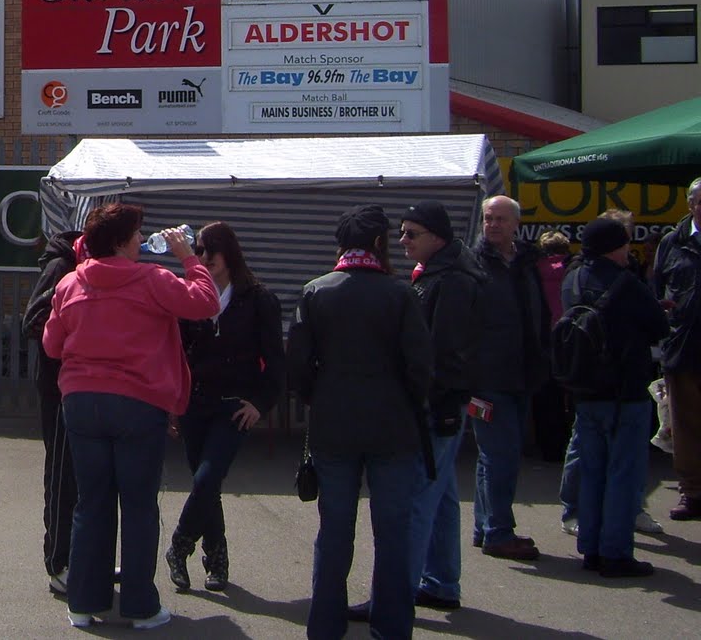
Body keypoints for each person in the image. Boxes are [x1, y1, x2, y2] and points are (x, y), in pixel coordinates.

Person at [41, 204, 218, 630]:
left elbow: (51, 345)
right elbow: (205, 302)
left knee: (92, 502)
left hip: (82, 402)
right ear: (121, 241)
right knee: (138, 505)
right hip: (138, 402)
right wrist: (188, 257)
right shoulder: (152, 279)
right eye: (137, 234)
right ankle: (140, 607)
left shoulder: (70, 282)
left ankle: (84, 603)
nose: (142, 240)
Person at [287, 204, 433, 640]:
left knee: (334, 531)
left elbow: (296, 366)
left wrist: (319, 395)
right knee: (393, 534)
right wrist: (409, 402)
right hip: (393, 426)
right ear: (377, 243)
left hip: (333, 425)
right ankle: (391, 628)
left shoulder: (316, 291)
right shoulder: (401, 293)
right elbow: (420, 365)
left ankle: (325, 627)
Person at [165, 222, 283, 594]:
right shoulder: (191, 294)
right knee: (207, 485)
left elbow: (276, 361)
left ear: (228, 252)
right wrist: (171, 403)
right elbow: (177, 353)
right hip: (195, 401)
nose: (203, 257)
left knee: (207, 477)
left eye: (208, 249)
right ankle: (216, 559)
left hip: (233, 405)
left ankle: (179, 546)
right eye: (197, 250)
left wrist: (260, 404)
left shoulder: (258, 298)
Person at [563, 217, 671, 576]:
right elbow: (658, 325)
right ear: (613, 246)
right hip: (625, 392)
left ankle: (591, 547)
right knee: (623, 473)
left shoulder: (573, 279)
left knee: (591, 471)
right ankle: (616, 553)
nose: (629, 249)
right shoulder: (627, 284)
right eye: (624, 243)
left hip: (585, 390)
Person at [396, 200, 484, 614]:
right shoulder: (440, 272)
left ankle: (394, 596)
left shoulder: (450, 279)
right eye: (401, 231)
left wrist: (427, 399)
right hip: (442, 402)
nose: (403, 240)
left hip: (436, 406)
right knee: (443, 496)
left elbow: (442, 351)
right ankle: (442, 583)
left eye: (412, 233)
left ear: (437, 237)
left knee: (417, 500)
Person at [469, 194, 550, 561]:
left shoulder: (526, 263)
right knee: (499, 455)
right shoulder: (474, 264)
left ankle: (486, 525)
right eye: (489, 218)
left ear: (516, 223)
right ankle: (499, 532)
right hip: (487, 378)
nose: (494, 225)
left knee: (498, 456)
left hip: (522, 374)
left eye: (501, 218)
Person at [20, 228, 83, 598]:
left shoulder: (77, 264)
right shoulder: (62, 267)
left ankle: (78, 558)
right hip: (58, 386)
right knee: (61, 476)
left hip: (79, 387)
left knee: (80, 478)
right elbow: (33, 321)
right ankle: (58, 562)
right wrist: (78, 336)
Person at [651, 175, 701, 521]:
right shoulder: (672, 242)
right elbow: (657, 290)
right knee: (684, 427)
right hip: (684, 348)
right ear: (692, 205)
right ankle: (692, 492)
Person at [534, 231, 574, 465]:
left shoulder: (535, 269)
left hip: (543, 337)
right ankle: (567, 441)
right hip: (568, 337)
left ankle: (546, 447)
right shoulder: (571, 269)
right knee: (569, 394)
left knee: (544, 396)